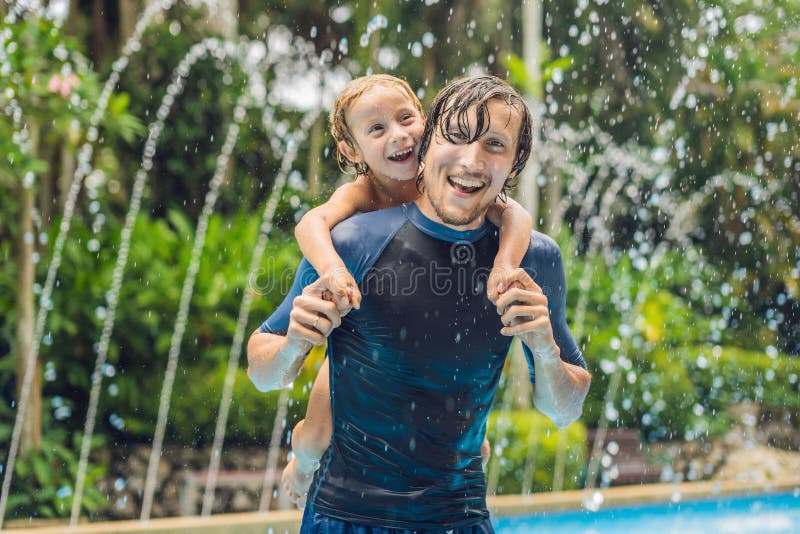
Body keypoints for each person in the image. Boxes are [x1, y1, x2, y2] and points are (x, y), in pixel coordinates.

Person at [247, 75, 591, 533]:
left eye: (494, 144)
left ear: (516, 161)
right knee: (318, 423)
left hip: (461, 520)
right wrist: (293, 344)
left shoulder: (533, 258)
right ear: (431, 143)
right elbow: (262, 371)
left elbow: (565, 410)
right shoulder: (349, 240)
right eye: (457, 136)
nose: (471, 160)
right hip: (345, 519)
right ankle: (303, 459)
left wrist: (544, 350)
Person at [280, 74, 532, 505]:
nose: (398, 135)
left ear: (426, 122)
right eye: (376, 129)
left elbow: (515, 215)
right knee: (317, 435)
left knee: (468, 438)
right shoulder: (360, 193)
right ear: (351, 150)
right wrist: (334, 270)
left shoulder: (451, 177)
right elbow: (311, 223)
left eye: (405, 118)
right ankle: (301, 463)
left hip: (428, 329)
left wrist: (504, 265)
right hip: (366, 344)